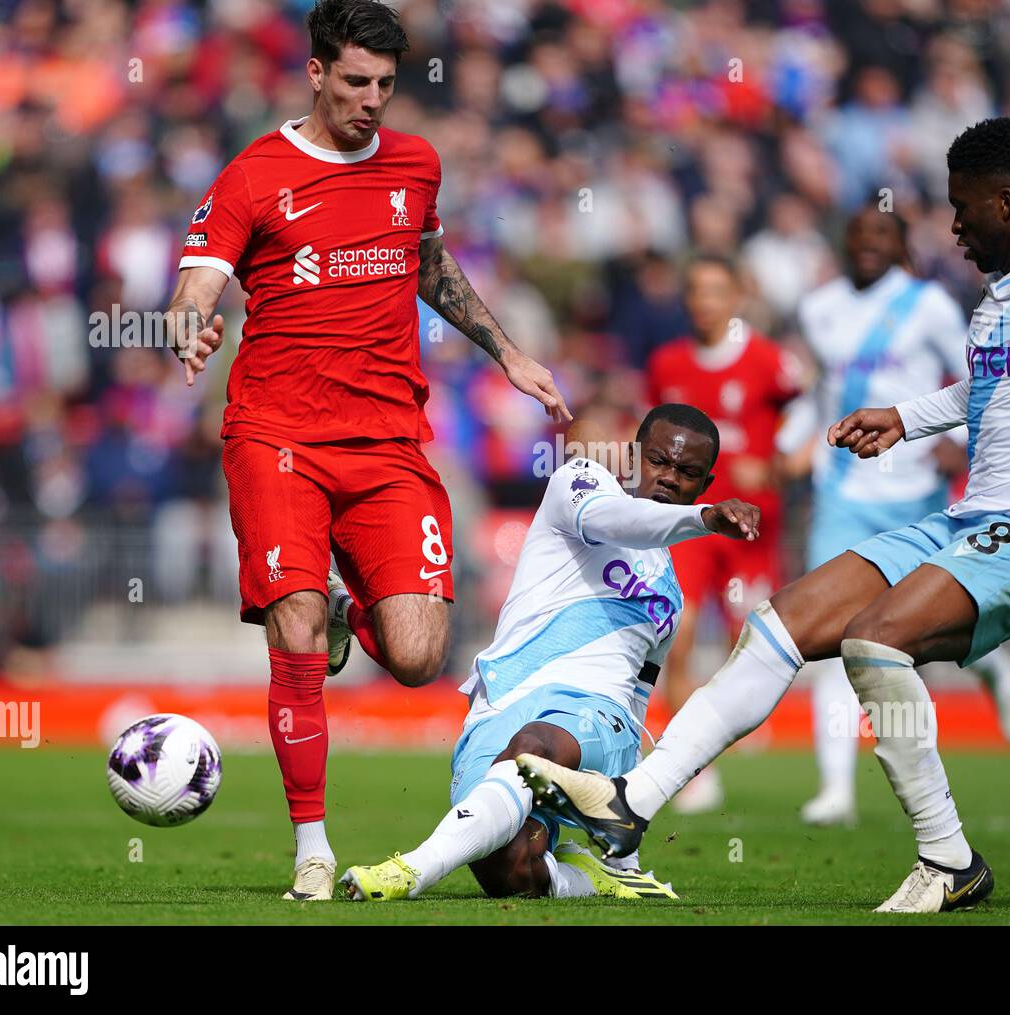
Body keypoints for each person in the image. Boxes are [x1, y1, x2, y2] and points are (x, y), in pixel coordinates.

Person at [515, 117, 1010, 913]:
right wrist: (905, 417)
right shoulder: (999, 294)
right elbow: (992, 390)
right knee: (781, 622)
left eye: (963, 207)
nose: (954, 225)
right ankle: (632, 803)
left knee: (875, 639)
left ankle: (948, 858)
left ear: (1007, 201)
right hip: (970, 519)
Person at [162, 0, 569, 902]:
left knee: (420, 656)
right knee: (296, 627)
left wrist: (507, 353)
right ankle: (312, 846)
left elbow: (428, 264)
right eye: (355, 81)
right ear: (315, 73)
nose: (372, 100)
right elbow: (195, 285)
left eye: (385, 83)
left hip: (388, 441)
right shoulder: (253, 174)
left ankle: (350, 612)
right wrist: (190, 327)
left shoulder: (416, 163)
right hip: (277, 437)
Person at [339, 405, 761, 900]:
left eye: (687, 472)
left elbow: (639, 697)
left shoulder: (670, 593)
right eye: (657, 461)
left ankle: (410, 871)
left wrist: (624, 835)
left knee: (532, 749)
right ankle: (584, 879)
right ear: (631, 456)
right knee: (508, 869)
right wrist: (703, 518)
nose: (669, 478)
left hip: (598, 719)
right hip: (501, 706)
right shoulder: (577, 483)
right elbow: (619, 520)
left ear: (705, 483)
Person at [784, 202, 1010, 828]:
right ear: (844, 241)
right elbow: (820, 392)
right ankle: (835, 789)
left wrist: (962, 443)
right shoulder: (818, 308)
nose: (868, 242)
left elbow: (982, 380)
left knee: (928, 625)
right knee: (833, 634)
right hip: (841, 493)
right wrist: (792, 440)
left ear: (901, 246)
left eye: (881, 233)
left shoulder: (929, 306)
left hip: (918, 494)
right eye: (858, 233)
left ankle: (995, 670)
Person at [644, 254, 801, 813]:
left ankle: (715, 741)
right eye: (695, 290)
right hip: (691, 525)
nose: (703, 301)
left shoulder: (770, 360)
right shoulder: (667, 363)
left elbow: (813, 408)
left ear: (736, 296)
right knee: (676, 638)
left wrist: (782, 461)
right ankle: (692, 770)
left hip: (750, 528)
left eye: (715, 290)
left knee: (753, 649)